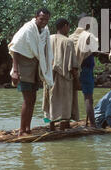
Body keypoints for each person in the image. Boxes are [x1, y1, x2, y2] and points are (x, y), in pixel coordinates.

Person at [9, 8, 54, 137]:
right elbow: (15, 48)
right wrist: (15, 71)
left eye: (46, 19)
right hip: (24, 67)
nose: (44, 22)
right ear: (36, 17)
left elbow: (44, 50)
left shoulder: (45, 31)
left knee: (33, 99)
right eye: (41, 19)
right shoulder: (28, 29)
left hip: (35, 67)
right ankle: (22, 130)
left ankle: (28, 128)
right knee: (27, 99)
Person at [42, 18, 79, 131]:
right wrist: (77, 79)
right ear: (65, 26)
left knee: (51, 101)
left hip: (49, 77)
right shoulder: (68, 41)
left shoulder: (48, 39)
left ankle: (51, 127)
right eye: (68, 27)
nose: (68, 29)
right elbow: (72, 65)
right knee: (64, 104)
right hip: (64, 78)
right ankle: (63, 129)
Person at [69, 15, 99, 127]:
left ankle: (66, 122)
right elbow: (95, 48)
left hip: (74, 70)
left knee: (71, 96)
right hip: (85, 69)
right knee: (88, 98)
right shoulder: (88, 35)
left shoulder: (71, 36)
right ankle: (92, 124)